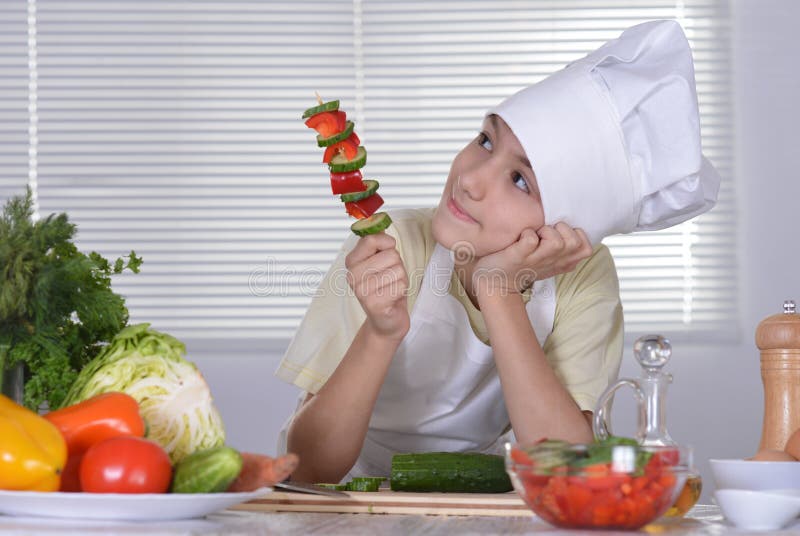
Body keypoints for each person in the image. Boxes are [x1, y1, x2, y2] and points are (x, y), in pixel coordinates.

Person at [274, 20, 720, 484]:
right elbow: (307, 467)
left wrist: (499, 291)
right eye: (486, 140)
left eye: (519, 180)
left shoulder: (583, 277)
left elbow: (566, 468)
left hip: (483, 499)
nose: (469, 179)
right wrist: (381, 332)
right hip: (348, 499)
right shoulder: (392, 247)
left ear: (564, 234)